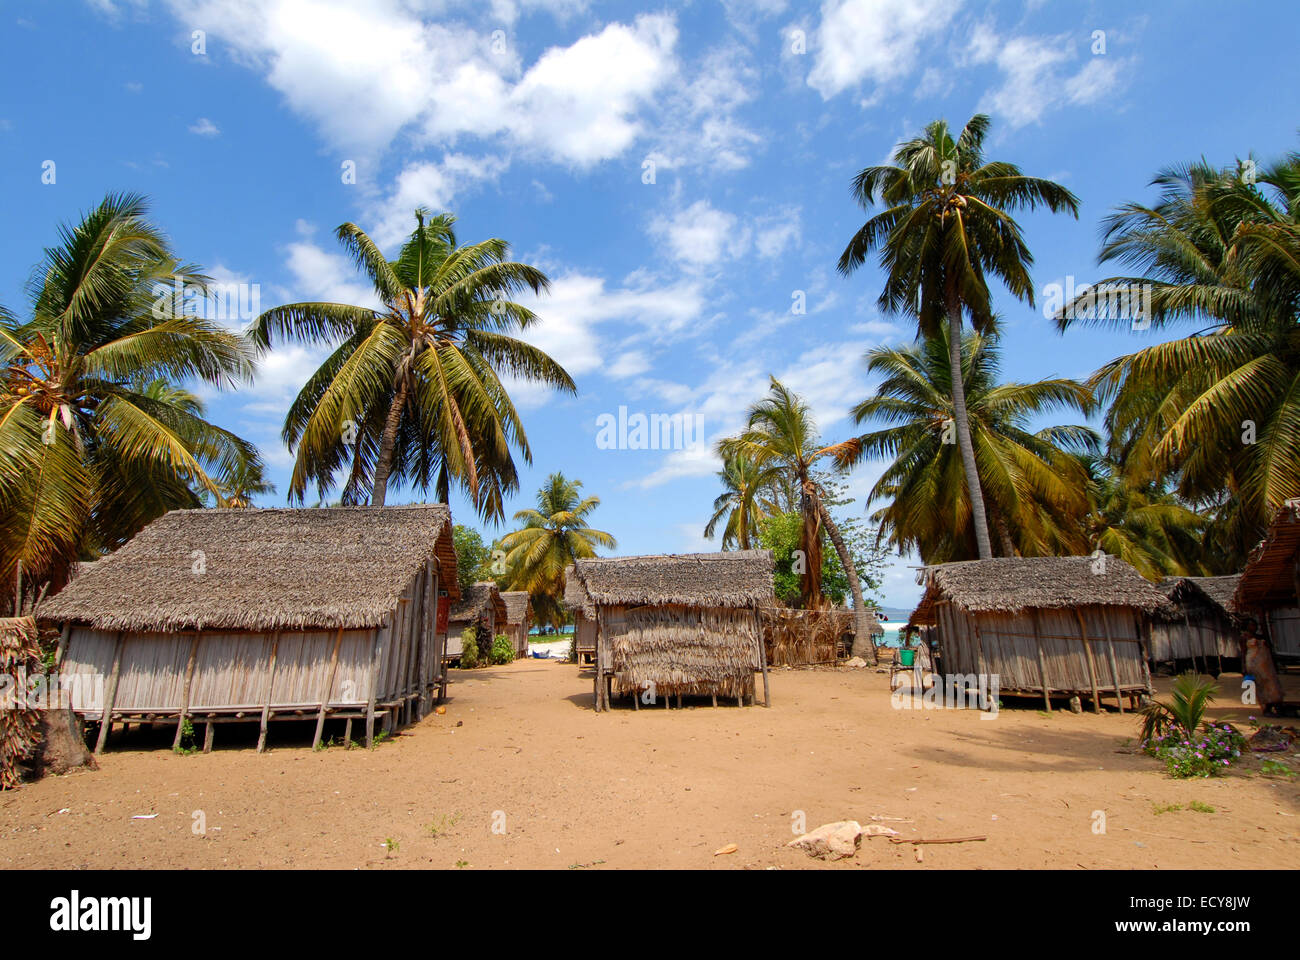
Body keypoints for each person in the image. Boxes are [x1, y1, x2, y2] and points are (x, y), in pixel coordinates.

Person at [1241, 618, 1285, 715]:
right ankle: (1266, 707)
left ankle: (1276, 703)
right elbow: (1243, 652)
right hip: (1253, 663)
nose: (1254, 627)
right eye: (1251, 625)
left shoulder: (1260, 636)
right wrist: (1243, 667)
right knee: (1261, 684)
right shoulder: (1244, 637)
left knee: (1272, 683)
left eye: (1255, 625)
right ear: (1247, 626)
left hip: (1265, 663)